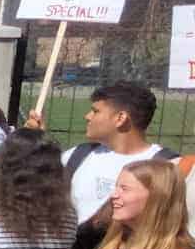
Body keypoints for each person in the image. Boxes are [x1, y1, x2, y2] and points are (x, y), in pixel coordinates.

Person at [55, 83, 177, 222]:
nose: (87, 116)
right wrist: (38, 141)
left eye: (95, 111)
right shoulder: (77, 155)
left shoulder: (165, 165)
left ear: (120, 118)